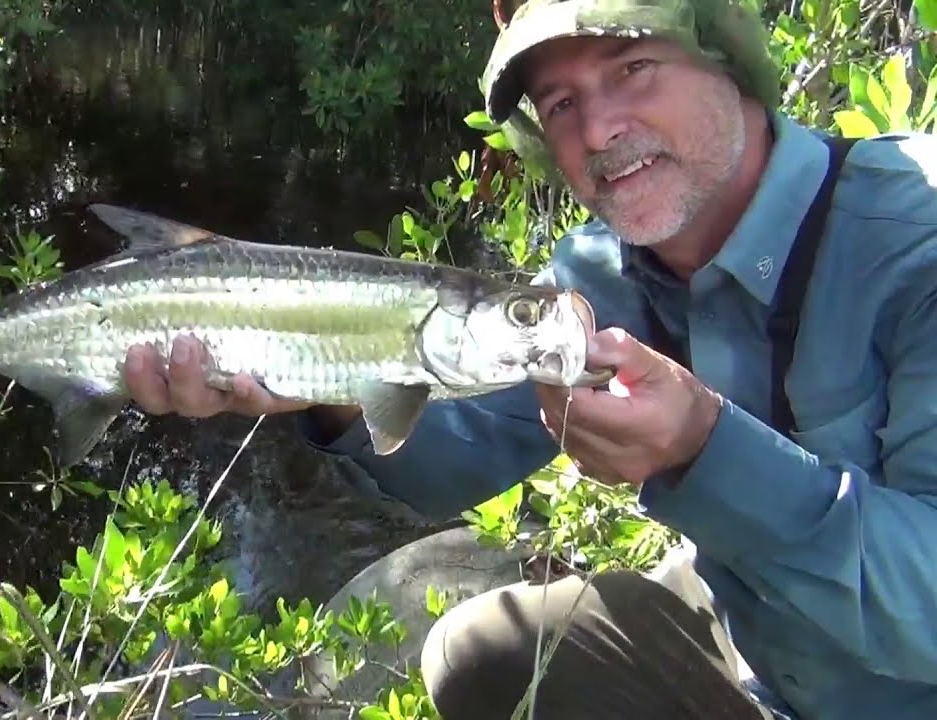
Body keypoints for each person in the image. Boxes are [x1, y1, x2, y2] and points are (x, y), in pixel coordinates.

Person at [119, 0, 937, 716]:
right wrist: (324, 382)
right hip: (762, 636)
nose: (600, 130)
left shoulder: (916, 242)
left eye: (635, 67)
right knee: (477, 654)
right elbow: (455, 459)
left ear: (728, 63)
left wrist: (706, 450)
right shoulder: (598, 276)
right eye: (562, 101)